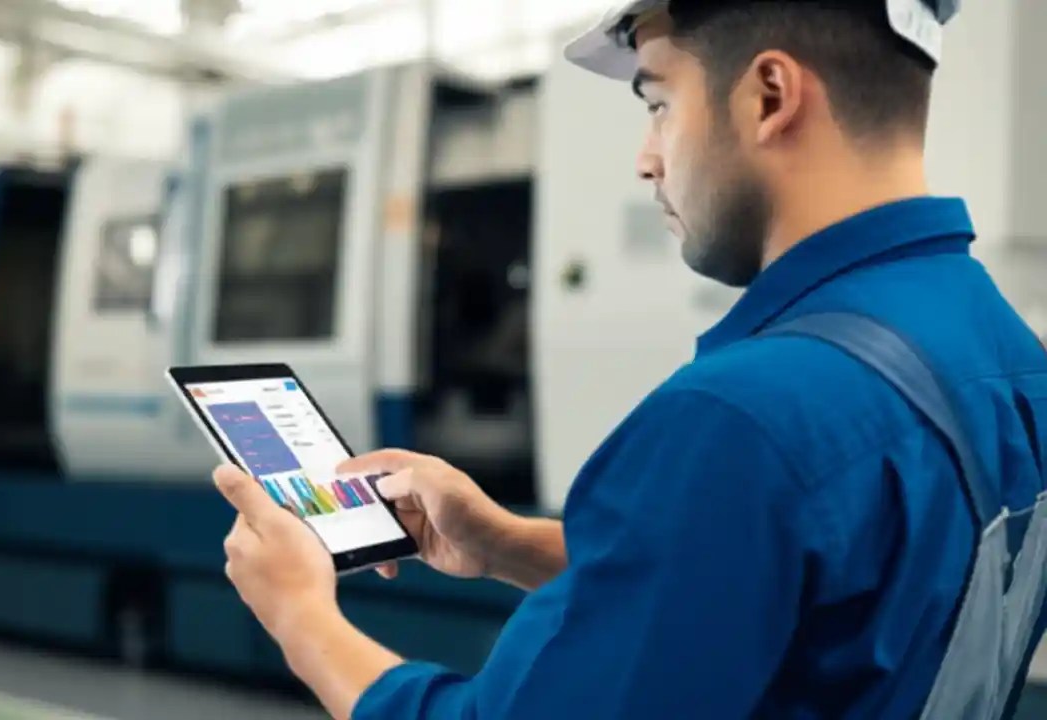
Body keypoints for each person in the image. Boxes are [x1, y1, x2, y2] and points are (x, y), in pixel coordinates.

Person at [211, 0, 1047, 717]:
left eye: (658, 102)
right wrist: (505, 543)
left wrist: (300, 616)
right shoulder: (1006, 353)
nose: (647, 157)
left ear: (769, 95)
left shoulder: (741, 419)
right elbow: (811, 595)